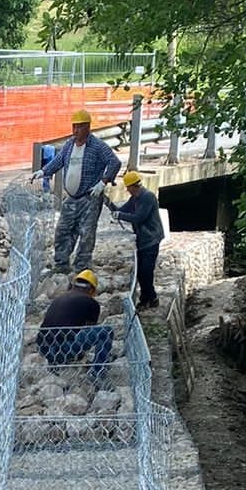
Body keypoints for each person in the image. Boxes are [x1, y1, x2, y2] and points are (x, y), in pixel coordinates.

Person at [36, 111, 123, 275]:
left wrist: (103, 182)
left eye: (80, 127)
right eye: (74, 127)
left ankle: (81, 267)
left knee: (86, 234)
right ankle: (61, 264)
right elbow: (58, 161)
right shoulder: (69, 145)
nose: (76, 131)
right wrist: (43, 171)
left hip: (89, 198)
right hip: (72, 198)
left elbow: (114, 162)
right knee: (63, 230)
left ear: (88, 127)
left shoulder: (97, 146)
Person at [36, 268, 111, 382]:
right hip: (63, 350)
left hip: (44, 349)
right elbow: (89, 329)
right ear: (91, 290)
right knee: (106, 332)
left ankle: (55, 362)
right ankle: (98, 372)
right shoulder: (91, 303)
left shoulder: (60, 298)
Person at [108, 168, 164, 307]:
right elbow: (122, 210)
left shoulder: (147, 197)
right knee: (141, 272)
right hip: (143, 239)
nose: (127, 190)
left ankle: (151, 298)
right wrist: (108, 203)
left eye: (128, 188)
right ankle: (146, 299)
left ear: (133, 186)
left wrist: (119, 216)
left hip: (151, 239)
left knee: (146, 271)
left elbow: (139, 218)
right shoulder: (136, 198)